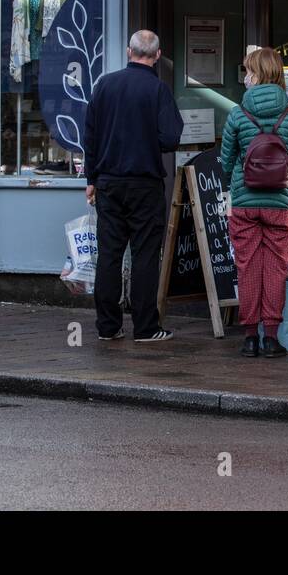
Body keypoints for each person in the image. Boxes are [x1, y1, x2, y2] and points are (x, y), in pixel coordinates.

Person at [83, 30, 184, 344]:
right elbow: (170, 138)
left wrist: (91, 180)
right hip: (144, 183)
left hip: (108, 182)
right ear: (156, 55)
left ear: (129, 52)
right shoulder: (158, 90)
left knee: (109, 255)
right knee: (144, 255)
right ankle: (145, 327)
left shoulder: (105, 86)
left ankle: (108, 326)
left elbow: (90, 136)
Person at [220, 47, 288, 359]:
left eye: (248, 71)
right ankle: (270, 338)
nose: (245, 78)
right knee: (275, 268)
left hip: (244, 203)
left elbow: (226, 162)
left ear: (258, 75)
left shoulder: (237, 114)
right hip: (281, 205)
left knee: (247, 267)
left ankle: (248, 338)